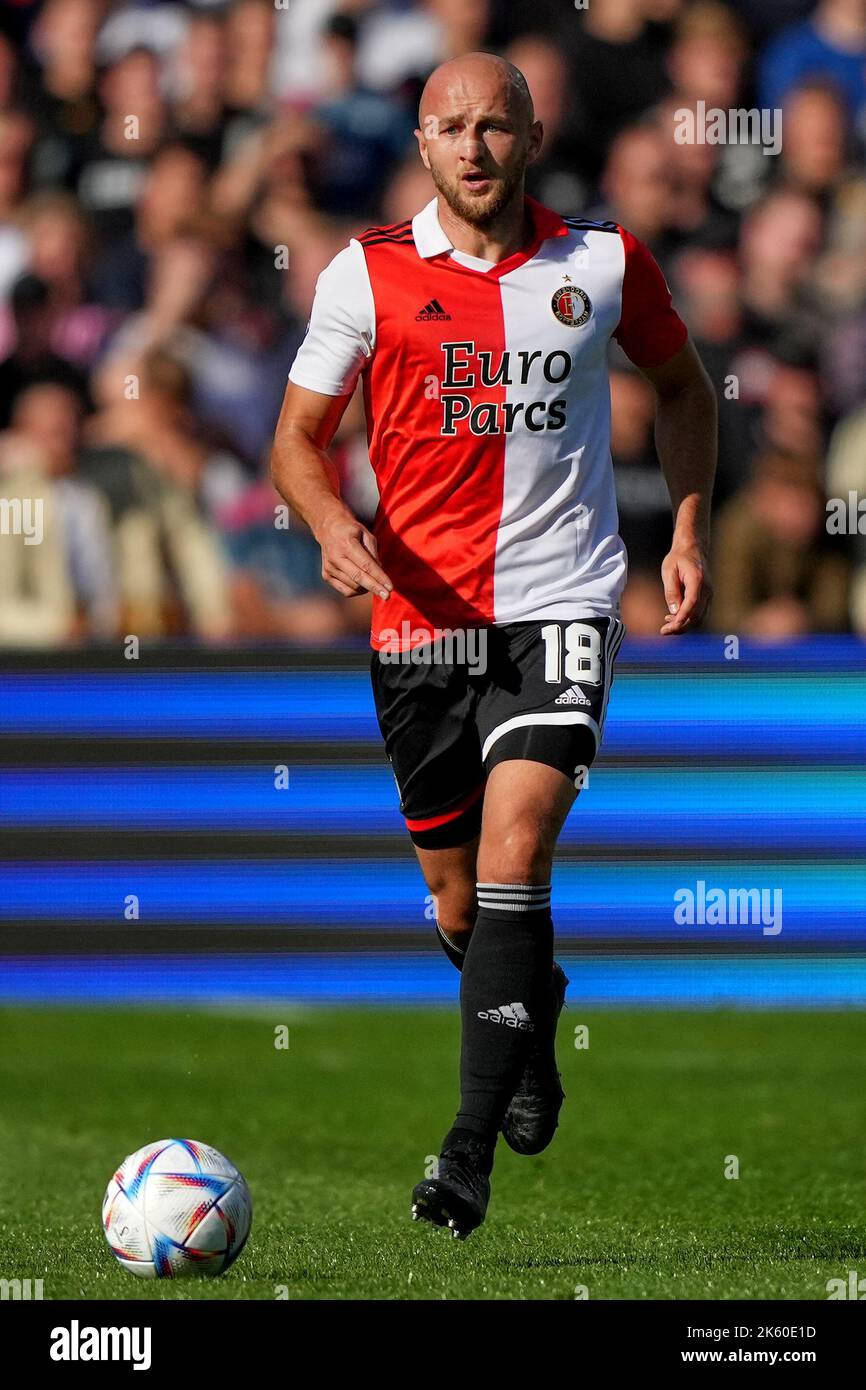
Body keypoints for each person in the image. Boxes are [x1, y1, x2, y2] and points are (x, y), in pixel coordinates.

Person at [270, 51, 716, 1238]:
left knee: (519, 838)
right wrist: (326, 522)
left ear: (528, 138)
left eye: (494, 126)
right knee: (457, 899)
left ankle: (462, 1152)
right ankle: (534, 1011)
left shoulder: (601, 262)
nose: (472, 147)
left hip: (559, 603)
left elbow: (683, 388)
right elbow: (296, 439)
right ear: (421, 144)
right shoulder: (363, 276)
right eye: (449, 126)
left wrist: (682, 526)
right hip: (419, 625)